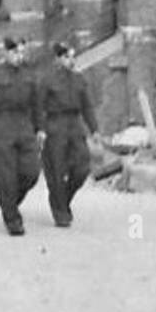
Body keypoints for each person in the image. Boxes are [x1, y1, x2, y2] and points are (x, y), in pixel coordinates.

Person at [0, 36, 43, 236]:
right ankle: (12, 219)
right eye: (14, 52)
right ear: (6, 53)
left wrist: (40, 128)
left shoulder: (30, 76)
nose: (18, 56)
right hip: (1, 128)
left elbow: (37, 105)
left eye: (22, 52)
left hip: (24, 127)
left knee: (31, 172)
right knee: (6, 177)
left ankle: (9, 201)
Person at [40, 42, 100, 227]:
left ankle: (63, 199)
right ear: (57, 59)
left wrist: (94, 129)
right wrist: (40, 130)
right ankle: (60, 211)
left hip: (75, 125)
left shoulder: (79, 79)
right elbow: (39, 107)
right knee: (57, 170)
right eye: (67, 57)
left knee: (82, 166)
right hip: (55, 125)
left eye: (73, 56)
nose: (71, 61)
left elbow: (87, 106)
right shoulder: (47, 80)